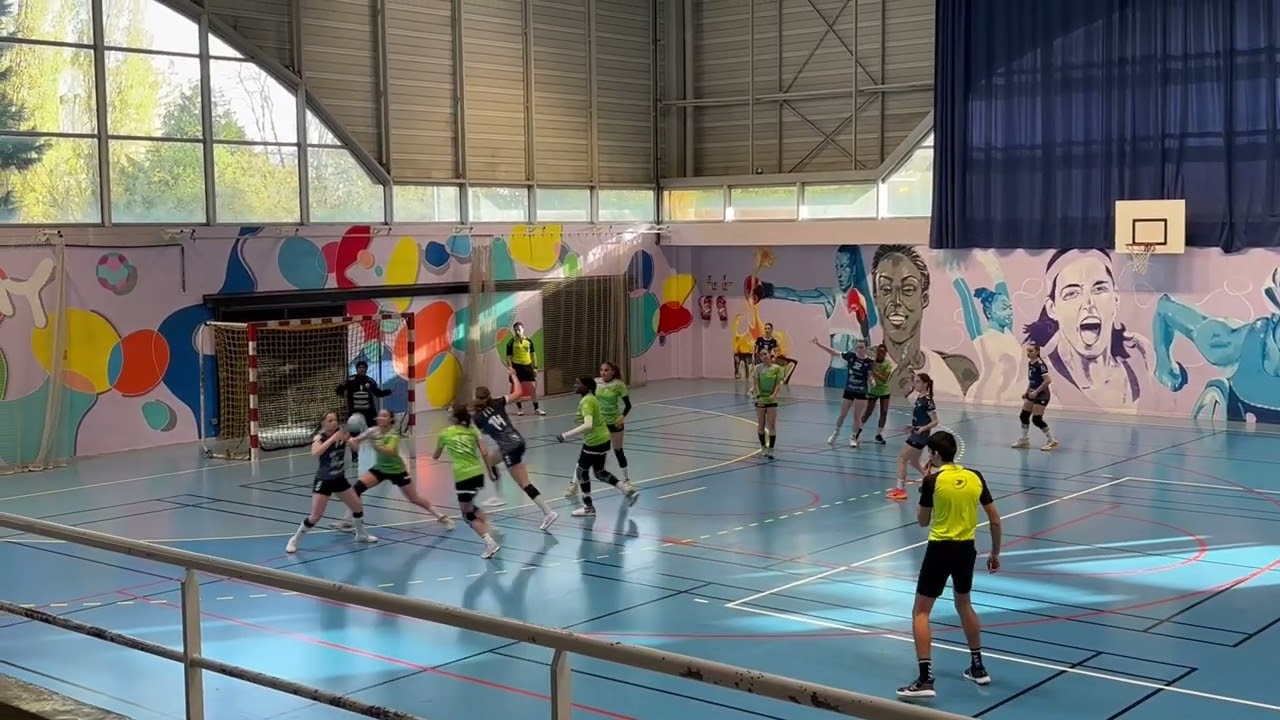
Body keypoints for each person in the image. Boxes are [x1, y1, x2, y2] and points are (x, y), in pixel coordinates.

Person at [896, 430, 1001, 699]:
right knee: (964, 604)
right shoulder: (975, 476)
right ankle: (978, 667)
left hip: (940, 549)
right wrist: (995, 553)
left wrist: (924, 488)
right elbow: (994, 519)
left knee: (921, 612)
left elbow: (922, 521)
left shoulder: (932, 481)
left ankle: (925, 679)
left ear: (935, 454)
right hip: (966, 549)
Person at [330, 409, 455, 533]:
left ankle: (442, 517)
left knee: (414, 498)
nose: (381, 418)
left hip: (397, 471)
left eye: (384, 416)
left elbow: (391, 451)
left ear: (390, 419)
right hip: (380, 469)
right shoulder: (372, 431)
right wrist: (351, 441)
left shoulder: (393, 434)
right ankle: (346, 522)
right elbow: (356, 442)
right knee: (356, 490)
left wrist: (374, 444)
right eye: (379, 415)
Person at [472, 378, 559, 530]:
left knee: (524, 483)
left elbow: (483, 438)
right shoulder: (498, 402)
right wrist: (514, 376)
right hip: (517, 440)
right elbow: (518, 393)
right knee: (492, 460)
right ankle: (497, 497)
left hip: (508, 448)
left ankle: (548, 512)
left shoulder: (477, 418)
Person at [285, 412, 377, 553]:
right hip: (324, 481)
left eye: (335, 420)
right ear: (323, 423)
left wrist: (354, 442)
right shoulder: (319, 437)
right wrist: (333, 439)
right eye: (330, 420)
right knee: (315, 516)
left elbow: (355, 447)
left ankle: (360, 534)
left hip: (339, 479)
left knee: (357, 506)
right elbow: (315, 452)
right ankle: (295, 539)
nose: (334, 422)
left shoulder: (343, 434)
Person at [557, 376, 639, 516]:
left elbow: (588, 425)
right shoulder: (592, 398)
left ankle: (588, 508)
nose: (575, 385)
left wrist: (565, 435)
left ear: (587, 387)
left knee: (581, 471)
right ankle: (627, 490)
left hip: (594, 442)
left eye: (578, 384)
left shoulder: (587, 401)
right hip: (604, 440)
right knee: (600, 472)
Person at [434, 404, 501, 559]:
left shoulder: (445, 434)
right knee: (470, 506)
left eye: (450, 413)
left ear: (454, 417)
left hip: (463, 477)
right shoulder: (472, 430)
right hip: (477, 474)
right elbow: (484, 452)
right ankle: (490, 527)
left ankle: (490, 543)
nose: (448, 414)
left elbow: (435, 456)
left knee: (467, 515)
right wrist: (490, 471)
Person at [811, 337, 872, 447]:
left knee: (857, 417)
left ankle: (854, 437)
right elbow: (834, 353)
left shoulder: (869, 362)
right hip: (849, 390)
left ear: (866, 348)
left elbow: (870, 377)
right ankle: (836, 433)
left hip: (861, 391)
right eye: (857, 347)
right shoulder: (851, 356)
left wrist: (872, 383)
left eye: (861, 347)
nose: (859, 349)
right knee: (842, 414)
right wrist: (819, 344)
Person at [887, 373, 937, 501]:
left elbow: (935, 421)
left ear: (925, 383)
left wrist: (922, 429)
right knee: (914, 461)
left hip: (920, 437)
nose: (915, 384)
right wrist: (912, 426)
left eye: (918, 382)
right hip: (916, 433)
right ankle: (930, 478)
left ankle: (900, 490)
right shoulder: (919, 398)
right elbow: (922, 418)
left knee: (902, 459)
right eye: (915, 381)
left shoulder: (928, 401)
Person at [335, 360, 393, 463]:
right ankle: (355, 456)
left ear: (366, 369)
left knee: (374, 431)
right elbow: (340, 390)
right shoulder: (350, 380)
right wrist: (340, 390)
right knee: (354, 433)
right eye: (360, 367)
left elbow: (378, 393)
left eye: (364, 367)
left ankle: (378, 452)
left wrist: (388, 391)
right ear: (357, 369)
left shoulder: (370, 381)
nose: (362, 369)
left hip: (369, 411)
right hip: (355, 411)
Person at [1012, 343, 1059, 451]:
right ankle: (1024, 440)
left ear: (1037, 352)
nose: (1028, 353)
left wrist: (1036, 392)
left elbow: (1047, 380)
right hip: (1032, 392)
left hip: (1042, 394)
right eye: (1027, 351)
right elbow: (1032, 380)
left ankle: (1052, 441)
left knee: (1037, 419)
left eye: (1031, 351)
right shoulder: (1031, 363)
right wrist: (1027, 392)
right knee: (1024, 416)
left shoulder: (1040, 365)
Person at [596, 360, 632, 481]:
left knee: (618, 451)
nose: (603, 373)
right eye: (601, 370)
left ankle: (626, 479)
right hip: (601, 423)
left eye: (606, 370)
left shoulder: (618, 385)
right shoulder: (596, 382)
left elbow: (628, 405)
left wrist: (622, 417)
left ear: (613, 372)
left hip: (615, 422)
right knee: (596, 451)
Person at [856, 344, 894, 445]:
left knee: (884, 412)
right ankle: (858, 431)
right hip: (873, 391)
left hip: (884, 391)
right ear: (876, 352)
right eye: (879, 351)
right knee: (868, 412)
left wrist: (873, 371)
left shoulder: (888, 364)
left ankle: (878, 435)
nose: (881, 353)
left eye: (883, 352)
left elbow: (884, 379)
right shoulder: (871, 362)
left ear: (885, 353)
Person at [749, 350, 784, 458]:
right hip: (761, 399)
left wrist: (774, 394)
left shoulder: (777, 368)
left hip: (771, 399)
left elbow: (778, 384)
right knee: (761, 424)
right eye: (761, 355)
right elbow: (755, 384)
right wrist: (758, 396)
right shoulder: (757, 368)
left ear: (769, 355)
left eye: (765, 354)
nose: (763, 356)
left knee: (771, 425)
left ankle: (771, 449)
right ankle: (763, 447)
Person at [505, 321, 545, 416]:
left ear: (523, 329)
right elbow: (508, 357)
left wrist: (535, 368)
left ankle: (536, 409)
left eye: (519, 329)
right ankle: (520, 410)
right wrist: (511, 369)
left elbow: (533, 355)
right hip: (516, 367)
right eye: (515, 330)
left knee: (533, 388)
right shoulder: (510, 343)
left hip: (528, 366)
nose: (517, 331)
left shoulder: (529, 341)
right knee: (517, 390)